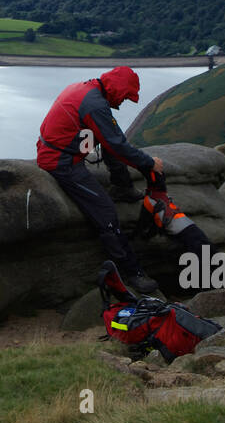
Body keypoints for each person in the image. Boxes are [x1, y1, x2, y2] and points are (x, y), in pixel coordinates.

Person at [36, 66, 166, 295]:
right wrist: (148, 163)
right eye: (125, 96)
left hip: (63, 151)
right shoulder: (95, 105)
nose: (125, 100)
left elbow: (111, 141)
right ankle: (132, 272)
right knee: (106, 212)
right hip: (60, 161)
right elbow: (118, 146)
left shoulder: (88, 90)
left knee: (109, 141)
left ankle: (123, 187)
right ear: (117, 89)